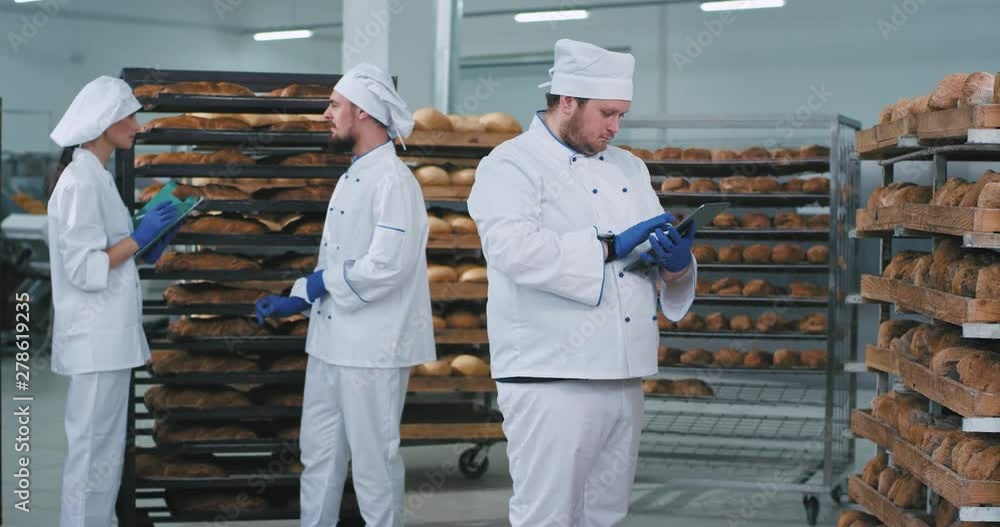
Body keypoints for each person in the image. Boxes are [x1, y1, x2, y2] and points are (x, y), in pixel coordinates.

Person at [467, 39, 699, 526]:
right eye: (607, 113)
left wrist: (676, 263)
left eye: (622, 115)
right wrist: (610, 245)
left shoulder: (630, 168)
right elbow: (513, 250)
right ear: (567, 101)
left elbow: (649, 258)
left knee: (606, 514)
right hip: (551, 376)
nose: (615, 127)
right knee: (547, 516)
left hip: (624, 372)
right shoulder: (510, 164)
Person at [254, 63, 434, 527]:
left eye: (334, 105)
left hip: (373, 348)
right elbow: (338, 257)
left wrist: (317, 286)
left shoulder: (393, 180)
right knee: (318, 458)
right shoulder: (354, 174)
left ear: (364, 112)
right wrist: (298, 294)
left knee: (373, 464)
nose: (325, 114)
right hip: (331, 344)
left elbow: (386, 266)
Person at [48, 75, 179, 527]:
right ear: (105, 122)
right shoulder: (80, 182)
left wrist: (150, 240)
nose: (137, 126)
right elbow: (85, 270)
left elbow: (114, 255)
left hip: (108, 338)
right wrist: (138, 238)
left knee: (103, 451)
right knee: (91, 451)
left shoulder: (96, 177)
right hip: (93, 337)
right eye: (130, 116)